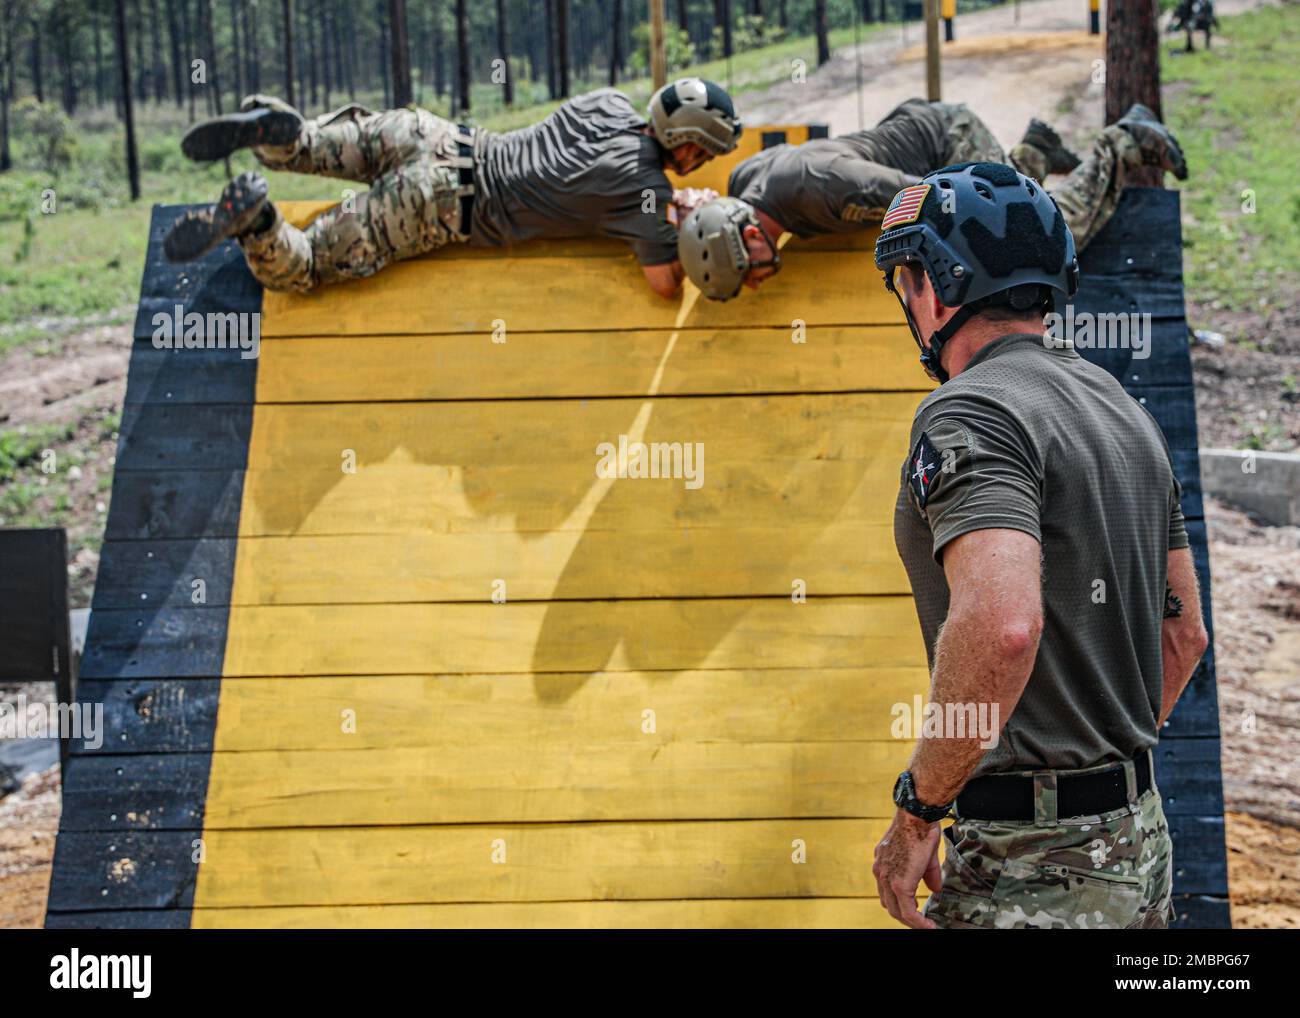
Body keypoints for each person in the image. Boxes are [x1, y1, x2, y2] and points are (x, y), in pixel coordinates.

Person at [865, 162, 1209, 929]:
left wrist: (919, 813)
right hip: (1138, 840)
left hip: (1030, 865)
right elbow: (1184, 636)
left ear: (938, 284)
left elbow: (1002, 626)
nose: (908, 301)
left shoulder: (969, 413)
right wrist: (1093, 770)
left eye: (908, 279)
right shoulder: (1119, 407)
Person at [163, 78, 743, 298]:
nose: (703, 162)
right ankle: (259, 223)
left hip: (434, 134)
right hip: (443, 201)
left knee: (319, 144)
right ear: (688, 144)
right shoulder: (643, 192)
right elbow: (666, 285)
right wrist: (683, 218)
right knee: (310, 264)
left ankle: (279, 132)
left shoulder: (610, 102)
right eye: (707, 151)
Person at [677, 99, 1187, 300]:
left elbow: (936, 199)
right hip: (921, 145)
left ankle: (1121, 142)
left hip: (948, 140)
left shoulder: (823, 185)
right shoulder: (744, 187)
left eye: (749, 272)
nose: (755, 282)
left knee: (1031, 234)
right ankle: (1033, 151)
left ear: (752, 234)